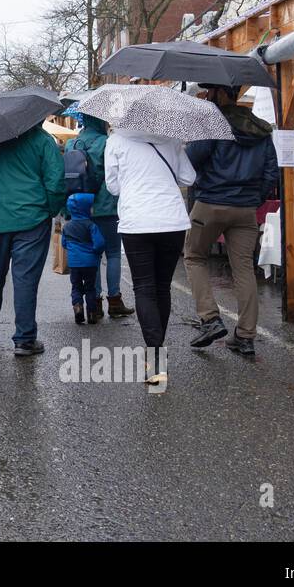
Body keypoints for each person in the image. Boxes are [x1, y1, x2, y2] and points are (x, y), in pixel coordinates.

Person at [185, 84, 279, 357]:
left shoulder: (212, 124)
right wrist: (253, 199)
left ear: (221, 93)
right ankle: (246, 336)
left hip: (210, 204)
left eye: (209, 91)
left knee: (194, 257)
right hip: (246, 209)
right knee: (244, 269)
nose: (206, 96)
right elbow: (271, 172)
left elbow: (191, 160)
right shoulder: (260, 129)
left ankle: (210, 319)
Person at [104, 130, 196, 389]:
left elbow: (112, 186)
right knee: (161, 287)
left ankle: (155, 358)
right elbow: (189, 177)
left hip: (137, 221)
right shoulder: (172, 138)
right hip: (171, 220)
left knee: (144, 288)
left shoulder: (116, 140)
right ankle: (157, 353)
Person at [0, 124, 66, 356]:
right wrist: (50, 210)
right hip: (32, 217)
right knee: (25, 278)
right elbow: (56, 181)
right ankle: (24, 339)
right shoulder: (41, 140)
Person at [64, 115, 134, 320]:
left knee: (91, 256)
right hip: (106, 206)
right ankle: (115, 300)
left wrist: (65, 210)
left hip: (79, 209)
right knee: (112, 253)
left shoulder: (71, 143)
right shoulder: (108, 142)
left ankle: (94, 303)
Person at [63, 192, 107, 324]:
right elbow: (100, 243)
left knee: (76, 287)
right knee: (90, 288)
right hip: (90, 263)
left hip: (74, 263)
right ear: (85, 208)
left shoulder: (67, 226)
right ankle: (92, 314)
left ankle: (78, 308)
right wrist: (95, 252)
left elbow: (64, 243)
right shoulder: (91, 225)